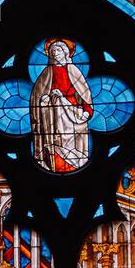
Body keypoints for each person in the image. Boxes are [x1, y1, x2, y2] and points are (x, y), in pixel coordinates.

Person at [30, 38, 93, 172]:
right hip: (52, 117)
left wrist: (86, 111)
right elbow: (36, 98)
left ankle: (75, 168)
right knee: (55, 143)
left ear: (66, 52)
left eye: (58, 50)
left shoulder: (74, 71)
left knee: (72, 147)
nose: (55, 53)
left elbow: (84, 95)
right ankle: (54, 168)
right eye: (52, 51)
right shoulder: (46, 73)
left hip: (72, 116)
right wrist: (46, 100)